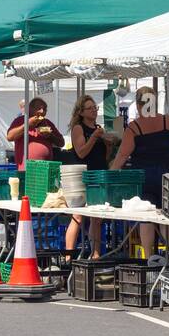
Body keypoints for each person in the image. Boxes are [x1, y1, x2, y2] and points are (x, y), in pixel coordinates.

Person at [110, 86, 169, 259]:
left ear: (138, 105)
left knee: (146, 217)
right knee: (167, 215)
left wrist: (111, 175)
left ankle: (148, 257)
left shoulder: (134, 127)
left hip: (144, 177)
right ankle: (168, 254)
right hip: (167, 175)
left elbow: (122, 155)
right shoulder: (167, 121)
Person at [64, 95, 111, 259]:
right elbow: (81, 152)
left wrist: (108, 144)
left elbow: (104, 156)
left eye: (95, 108)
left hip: (99, 173)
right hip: (84, 174)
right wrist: (94, 137)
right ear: (81, 112)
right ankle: (68, 255)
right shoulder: (79, 128)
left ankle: (95, 253)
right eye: (90, 108)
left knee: (96, 216)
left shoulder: (98, 128)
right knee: (78, 215)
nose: (94, 111)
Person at [7, 97, 64, 171]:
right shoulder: (20, 120)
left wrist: (50, 136)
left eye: (45, 109)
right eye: (39, 108)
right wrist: (27, 125)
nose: (42, 111)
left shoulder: (47, 123)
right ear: (30, 109)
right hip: (25, 169)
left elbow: (61, 143)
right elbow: (10, 137)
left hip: (45, 169)